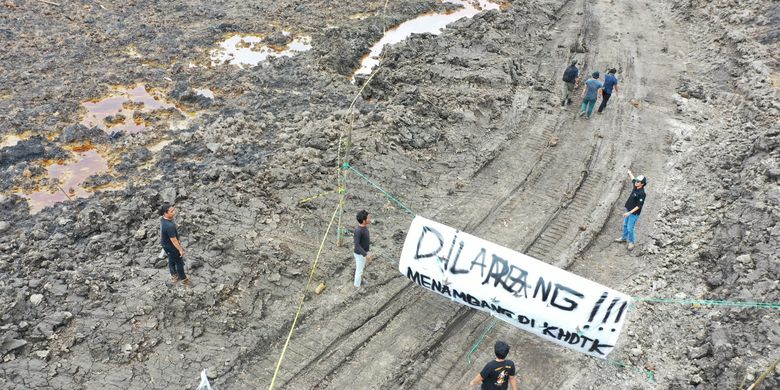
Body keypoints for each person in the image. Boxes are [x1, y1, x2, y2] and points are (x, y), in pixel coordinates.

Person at [615, 170, 647, 250]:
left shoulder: (642, 193)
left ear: (642, 184)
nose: (636, 182)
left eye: (638, 182)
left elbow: (639, 206)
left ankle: (631, 242)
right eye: (636, 181)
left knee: (630, 228)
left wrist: (629, 213)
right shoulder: (636, 186)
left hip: (633, 214)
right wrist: (629, 173)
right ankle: (624, 238)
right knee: (625, 225)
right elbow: (632, 179)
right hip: (628, 210)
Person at [160, 203, 189, 285]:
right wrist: (180, 250)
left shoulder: (163, 219)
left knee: (171, 259)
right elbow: (174, 241)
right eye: (171, 211)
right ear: (165, 213)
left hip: (165, 244)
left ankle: (174, 275)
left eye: (173, 210)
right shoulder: (169, 226)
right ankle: (184, 279)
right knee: (179, 262)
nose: (174, 212)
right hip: (171, 246)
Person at [353, 210, 373, 288]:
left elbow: (365, 241)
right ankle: (357, 286)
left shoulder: (364, 228)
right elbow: (356, 246)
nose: (370, 219)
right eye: (368, 218)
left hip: (363, 252)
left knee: (361, 268)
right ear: (364, 221)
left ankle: (359, 281)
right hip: (359, 254)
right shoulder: (358, 231)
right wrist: (365, 254)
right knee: (359, 270)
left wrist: (367, 252)